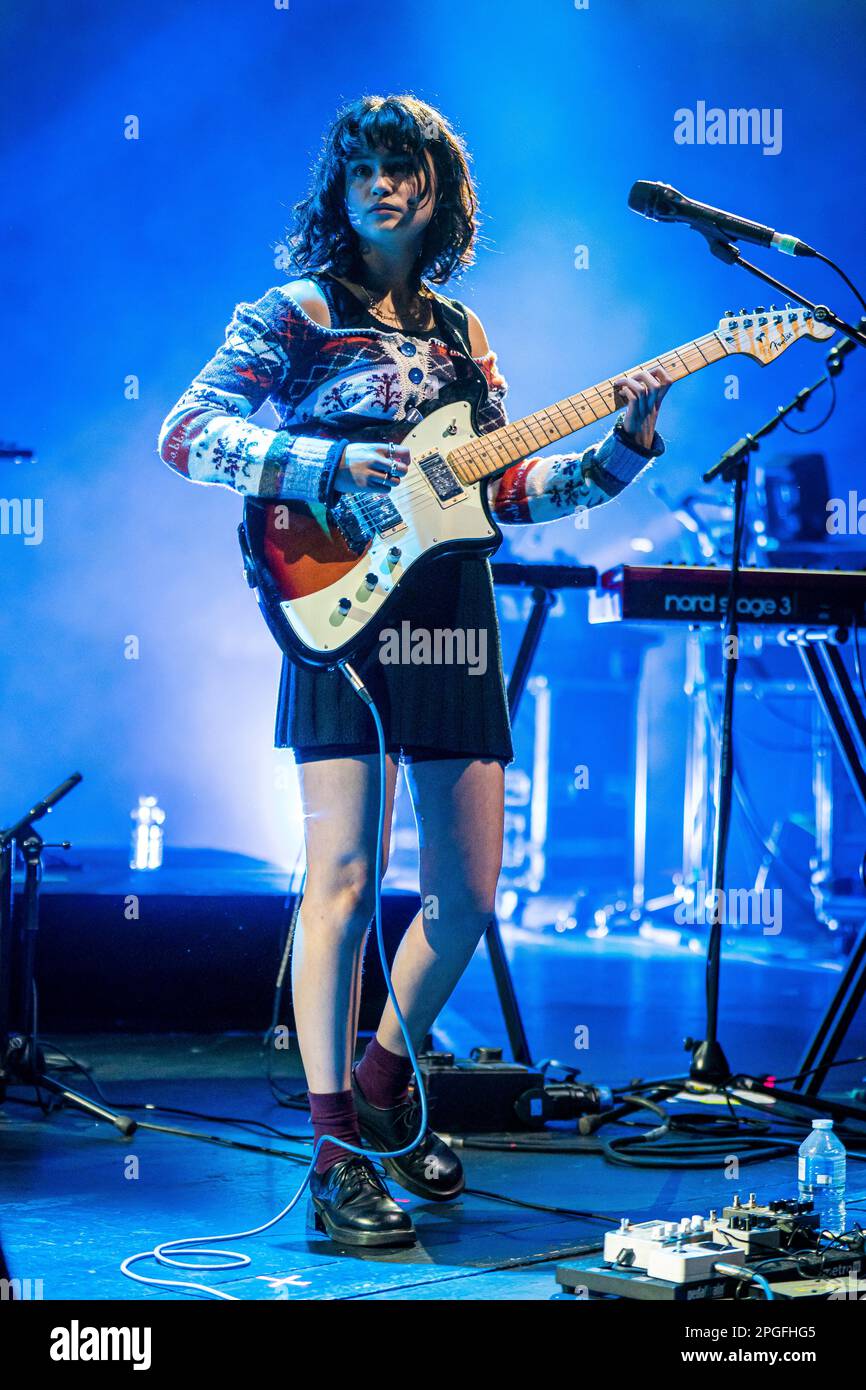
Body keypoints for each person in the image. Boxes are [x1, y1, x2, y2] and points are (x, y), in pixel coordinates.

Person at [158, 93, 670, 1248]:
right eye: (367, 173)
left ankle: (385, 1076)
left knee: (469, 891)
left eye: (407, 172)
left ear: (439, 194)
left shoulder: (461, 335)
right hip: (331, 603)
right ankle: (334, 1147)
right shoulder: (294, 313)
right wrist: (338, 465)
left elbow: (507, 494)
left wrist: (623, 448)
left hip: (449, 601)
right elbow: (188, 433)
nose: (386, 188)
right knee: (338, 875)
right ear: (339, 193)